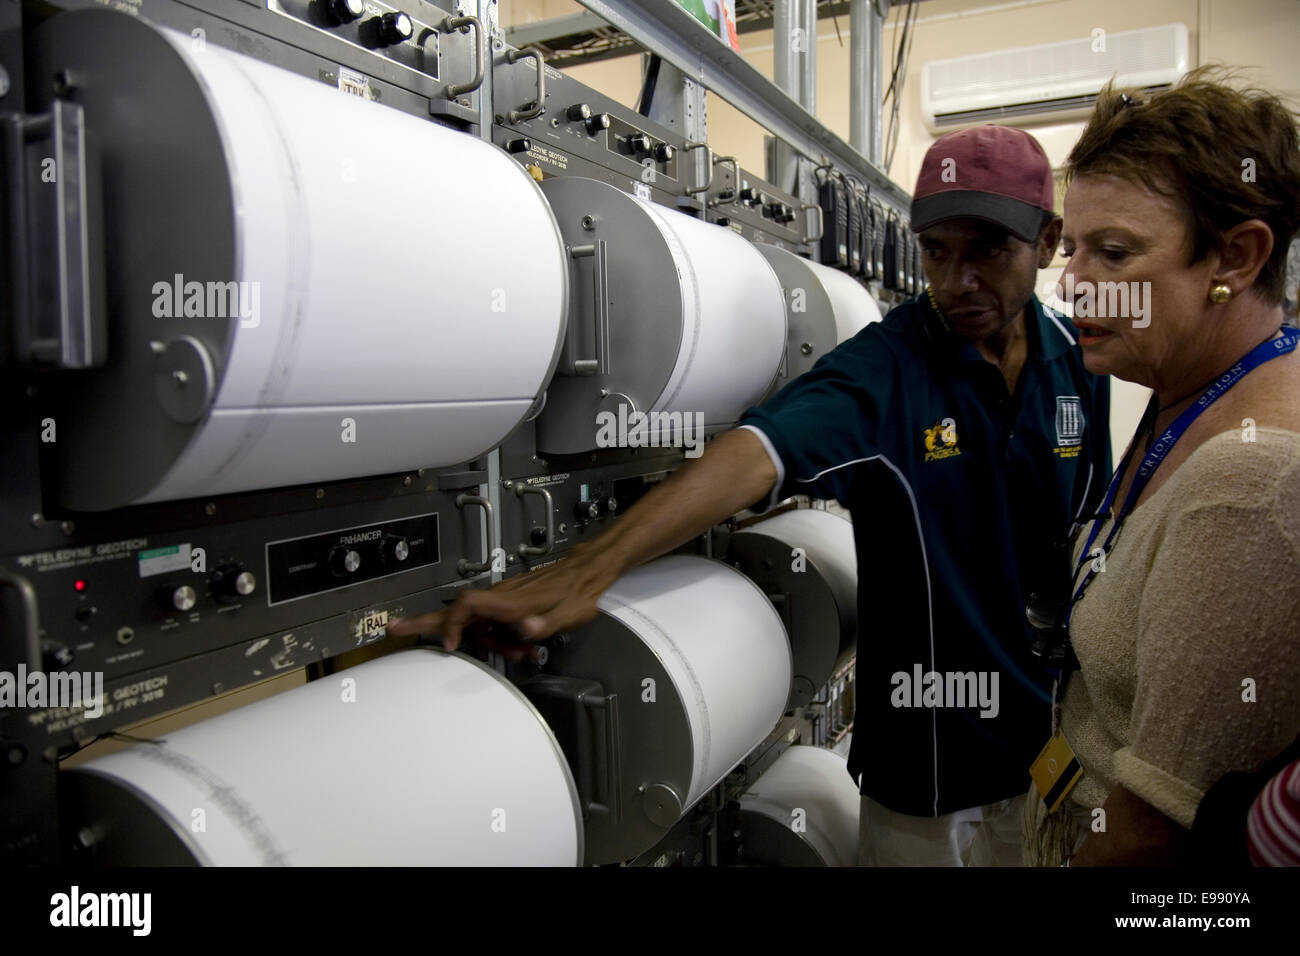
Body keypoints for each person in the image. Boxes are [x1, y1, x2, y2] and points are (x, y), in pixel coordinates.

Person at [389, 125, 1112, 867]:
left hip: (1042, 749)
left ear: (1048, 241)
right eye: (936, 251)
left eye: (988, 251)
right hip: (925, 770)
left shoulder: (1079, 367)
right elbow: (755, 453)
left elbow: (1084, 547)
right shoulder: (888, 369)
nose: (957, 280)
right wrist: (586, 572)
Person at [1023, 68, 1300, 866]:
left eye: (1112, 253)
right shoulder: (1184, 389)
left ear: (1238, 257)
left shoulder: (1251, 481)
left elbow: (1153, 830)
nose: (1072, 284)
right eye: (1072, 249)